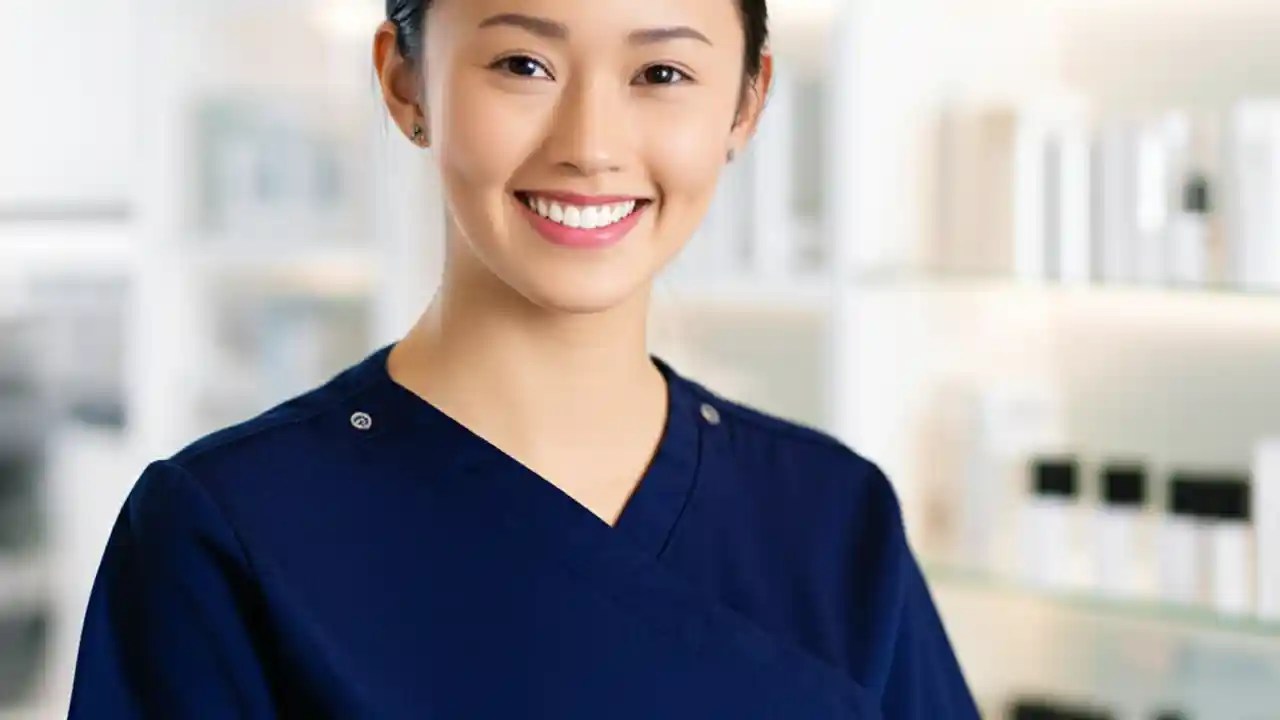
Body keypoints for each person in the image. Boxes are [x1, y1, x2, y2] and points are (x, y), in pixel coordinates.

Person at [68, 0, 978, 717]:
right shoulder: (228, 533)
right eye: (522, 65)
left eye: (661, 72)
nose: (589, 146)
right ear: (405, 83)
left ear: (746, 101)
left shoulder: (831, 517)